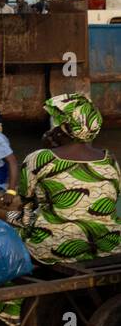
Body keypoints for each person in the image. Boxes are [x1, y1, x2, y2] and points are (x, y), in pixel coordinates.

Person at [16, 93, 121, 264]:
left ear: (63, 127)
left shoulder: (39, 158)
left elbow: (25, 200)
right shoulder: (110, 160)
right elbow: (114, 197)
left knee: (15, 218)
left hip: (55, 245)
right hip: (109, 243)